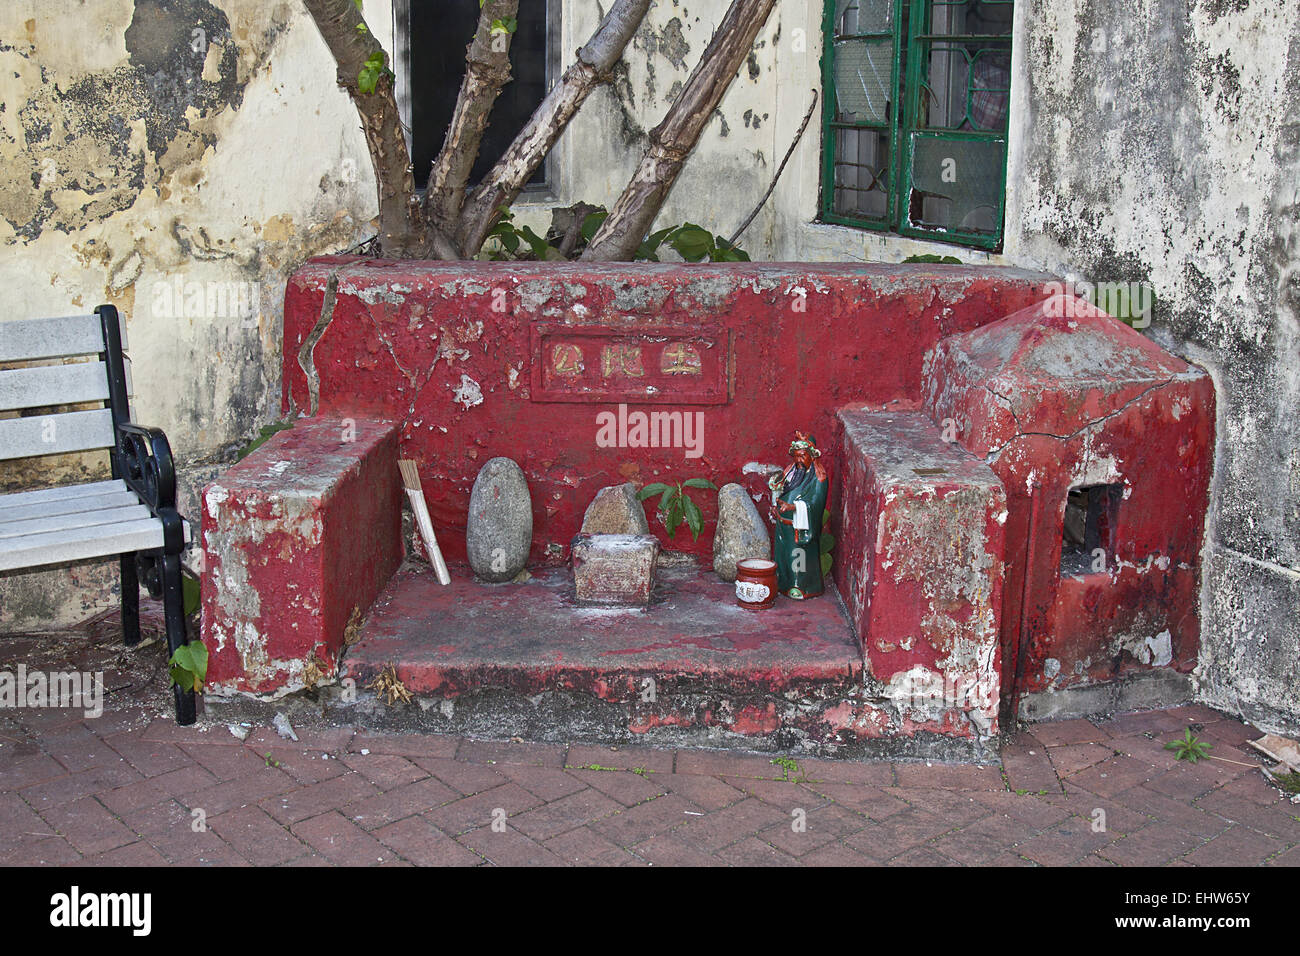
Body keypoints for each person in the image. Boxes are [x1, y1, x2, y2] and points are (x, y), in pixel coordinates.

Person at [768, 432, 829, 599]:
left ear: (811, 456)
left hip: (800, 526)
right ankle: (784, 583)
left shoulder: (819, 478)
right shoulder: (792, 473)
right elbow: (780, 490)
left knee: (798, 556)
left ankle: (800, 586)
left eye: (802, 456)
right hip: (784, 523)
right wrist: (777, 505)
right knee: (784, 555)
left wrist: (794, 506)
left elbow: (815, 502)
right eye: (795, 457)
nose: (798, 461)